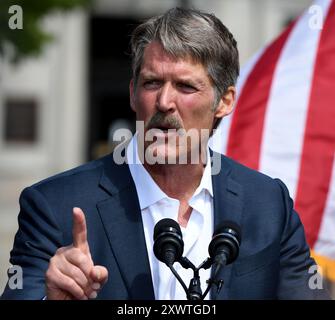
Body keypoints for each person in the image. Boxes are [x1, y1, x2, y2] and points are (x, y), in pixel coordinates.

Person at [1, 7, 329, 300]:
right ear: (132, 93)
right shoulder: (54, 205)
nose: (164, 102)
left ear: (225, 102)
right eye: (152, 83)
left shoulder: (269, 204)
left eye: (185, 87)